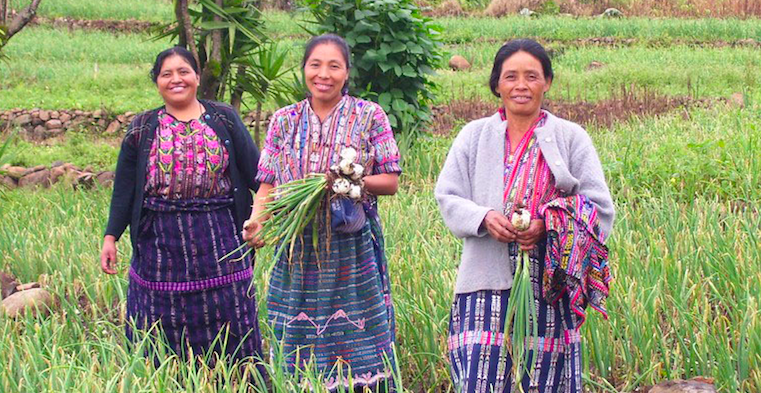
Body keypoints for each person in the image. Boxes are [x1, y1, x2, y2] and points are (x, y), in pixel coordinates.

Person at [435, 39, 615, 393]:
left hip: (549, 285)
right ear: (497, 84)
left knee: (543, 380)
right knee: (479, 377)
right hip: (484, 280)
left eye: (531, 76)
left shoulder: (570, 138)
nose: (521, 85)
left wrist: (548, 225)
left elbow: (599, 207)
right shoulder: (474, 136)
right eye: (511, 77)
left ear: (547, 82)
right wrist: (484, 217)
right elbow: (448, 195)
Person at [243, 34, 401, 392]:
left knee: (356, 332)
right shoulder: (284, 120)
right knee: (297, 331)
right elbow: (267, 183)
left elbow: (390, 181)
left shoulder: (369, 115)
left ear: (347, 73)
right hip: (297, 242)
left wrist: (349, 180)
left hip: (352, 243)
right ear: (304, 69)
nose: (323, 74)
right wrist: (257, 221)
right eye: (315, 65)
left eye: (334, 66)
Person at [100, 47, 263, 366]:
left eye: (184, 71)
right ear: (157, 82)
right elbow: (124, 188)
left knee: (231, 315)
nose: (176, 79)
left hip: (220, 238)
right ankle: (162, 376)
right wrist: (111, 237)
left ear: (198, 77)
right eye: (166, 74)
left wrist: (274, 212)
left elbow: (257, 172)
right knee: (157, 319)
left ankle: (239, 378)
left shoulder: (223, 119)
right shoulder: (142, 128)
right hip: (159, 241)